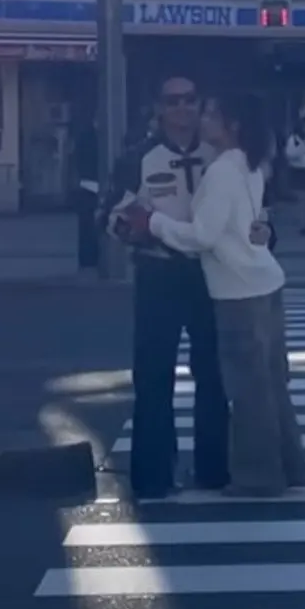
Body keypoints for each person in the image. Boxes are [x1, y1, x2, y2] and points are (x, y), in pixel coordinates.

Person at [125, 93, 305, 499]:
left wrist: (152, 222)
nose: (199, 117)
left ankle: (258, 476)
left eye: (209, 112)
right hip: (264, 279)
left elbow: (203, 236)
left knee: (248, 391)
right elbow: (253, 219)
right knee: (273, 384)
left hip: (235, 287)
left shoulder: (221, 170)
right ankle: (290, 465)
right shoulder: (248, 162)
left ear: (233, 125)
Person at [97, 74, 228, 500]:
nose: (182, 109)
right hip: (158, 275)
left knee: (214, 375)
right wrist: (135, 228)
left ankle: (215, 468)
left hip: (211, 273)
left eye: (190, 100)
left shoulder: (221, 154)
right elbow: (108, 216)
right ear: (159, 107)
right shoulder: (138, 158)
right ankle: (153, 474)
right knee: (153, 376)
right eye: (173, 101)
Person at [72, 114, 100, 269]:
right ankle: (90, 257)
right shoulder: (95, 138)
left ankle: (87, 257)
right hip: (91, 183)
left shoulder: (85, 137)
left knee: (87, 226)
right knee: (89, 225)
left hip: (87, 183)